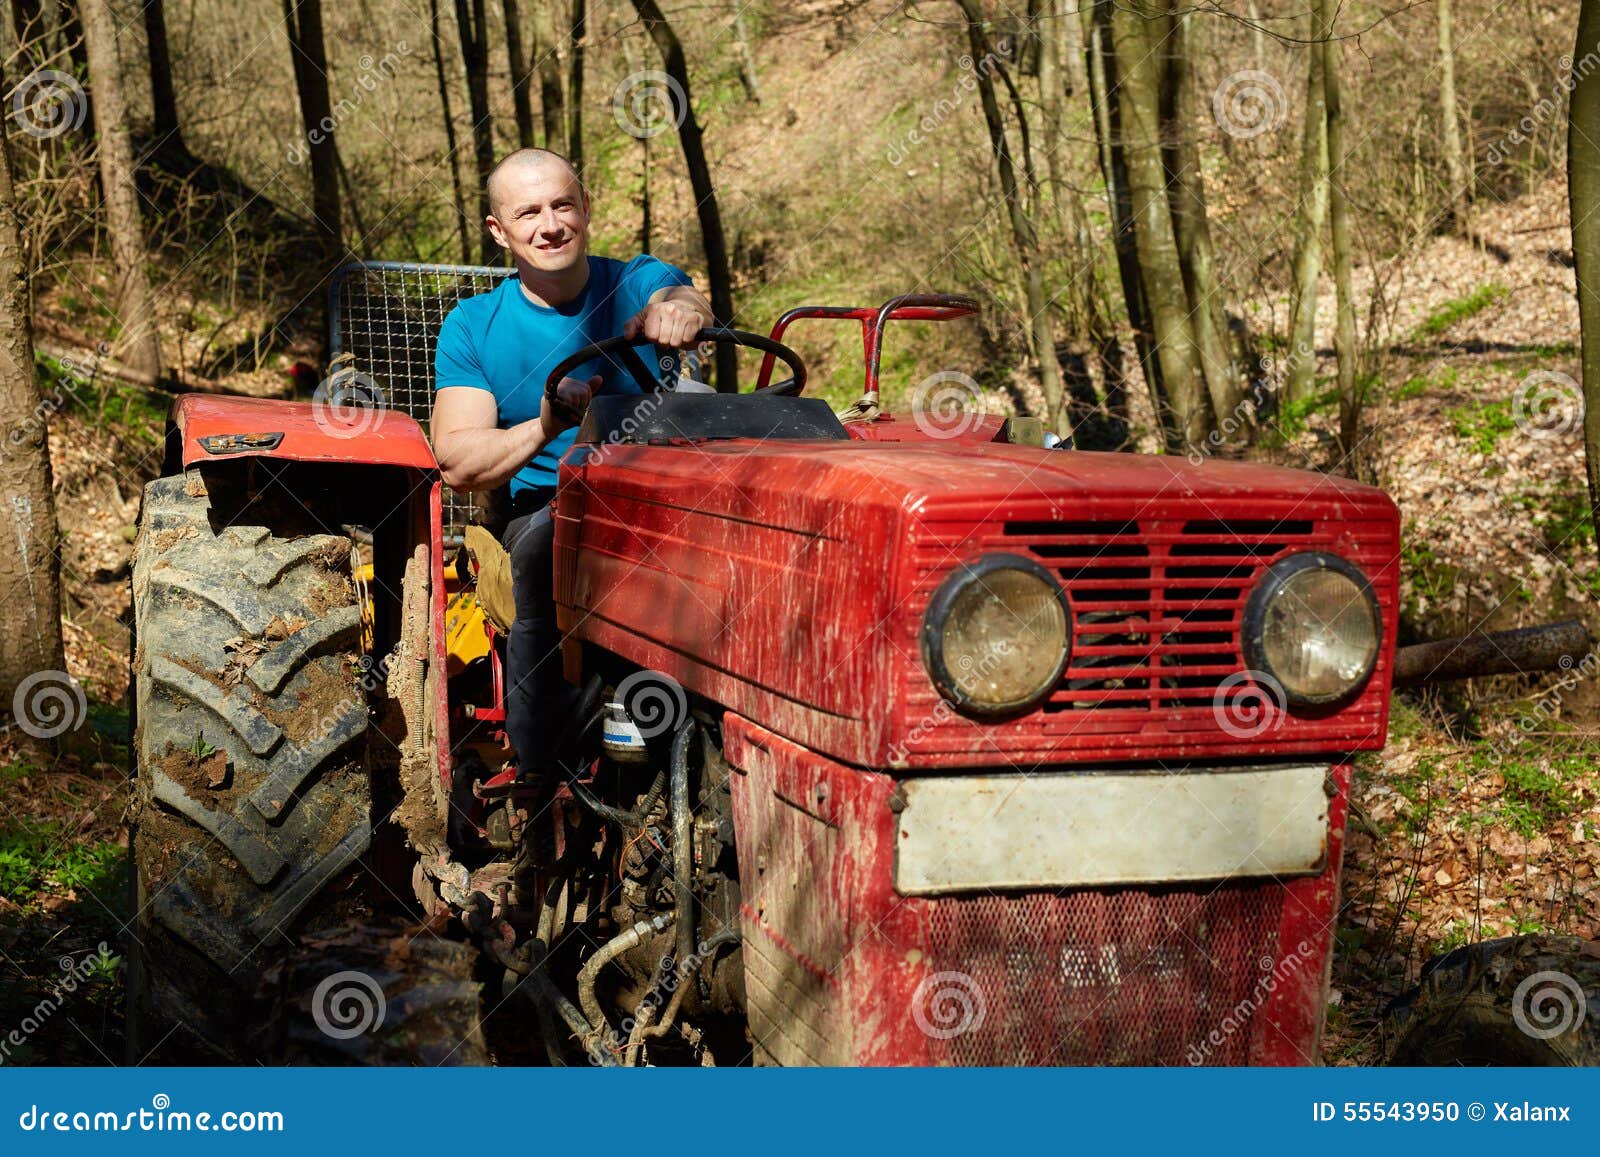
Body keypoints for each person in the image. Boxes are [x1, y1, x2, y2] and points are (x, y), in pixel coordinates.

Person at [430, 147, 714, 790]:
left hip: (660, 499)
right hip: (546, 508)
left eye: (562, 205)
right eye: (528, 212)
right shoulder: (474, 326)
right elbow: (458, 459)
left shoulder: (635, 281)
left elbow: (683, 298)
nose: (550, 224)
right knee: (545, 552)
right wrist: (544, 426)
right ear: (499, 230)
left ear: (585, 209)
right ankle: (542, 779)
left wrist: (678, 313)